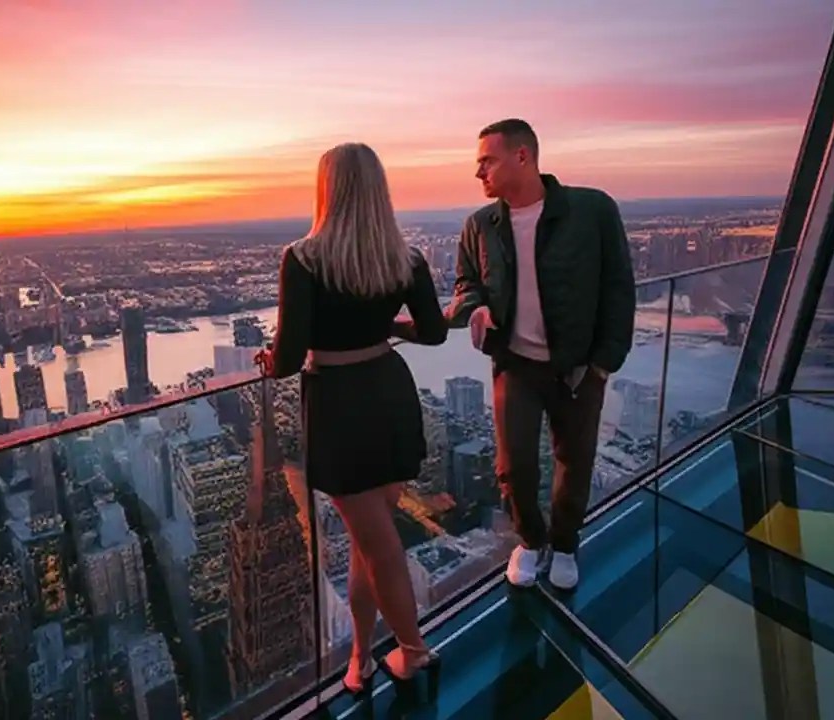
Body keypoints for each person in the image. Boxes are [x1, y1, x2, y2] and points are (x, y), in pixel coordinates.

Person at [257, 142, 447, 703]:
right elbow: (435, 331)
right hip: (389, 392)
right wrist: (390, 329)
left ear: (327, 189)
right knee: (369, 542)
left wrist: (268, 362)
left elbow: (289, 358)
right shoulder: (405, 257)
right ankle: (362, 656)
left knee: (378, 544)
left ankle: (413, 651)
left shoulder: (304, 258)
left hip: (340, 406)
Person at [445, 119, 635, 591]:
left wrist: (603, 363)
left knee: (575, 461)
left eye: (486, 161)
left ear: (523, 157)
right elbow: (466, 284)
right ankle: (531, 541)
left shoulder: (591, 210)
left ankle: (566, 543)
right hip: (515, 365)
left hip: (578, 367)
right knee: (514, 468)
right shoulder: (479, 225)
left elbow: (618, 286)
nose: (478, 173)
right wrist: (475, 308)